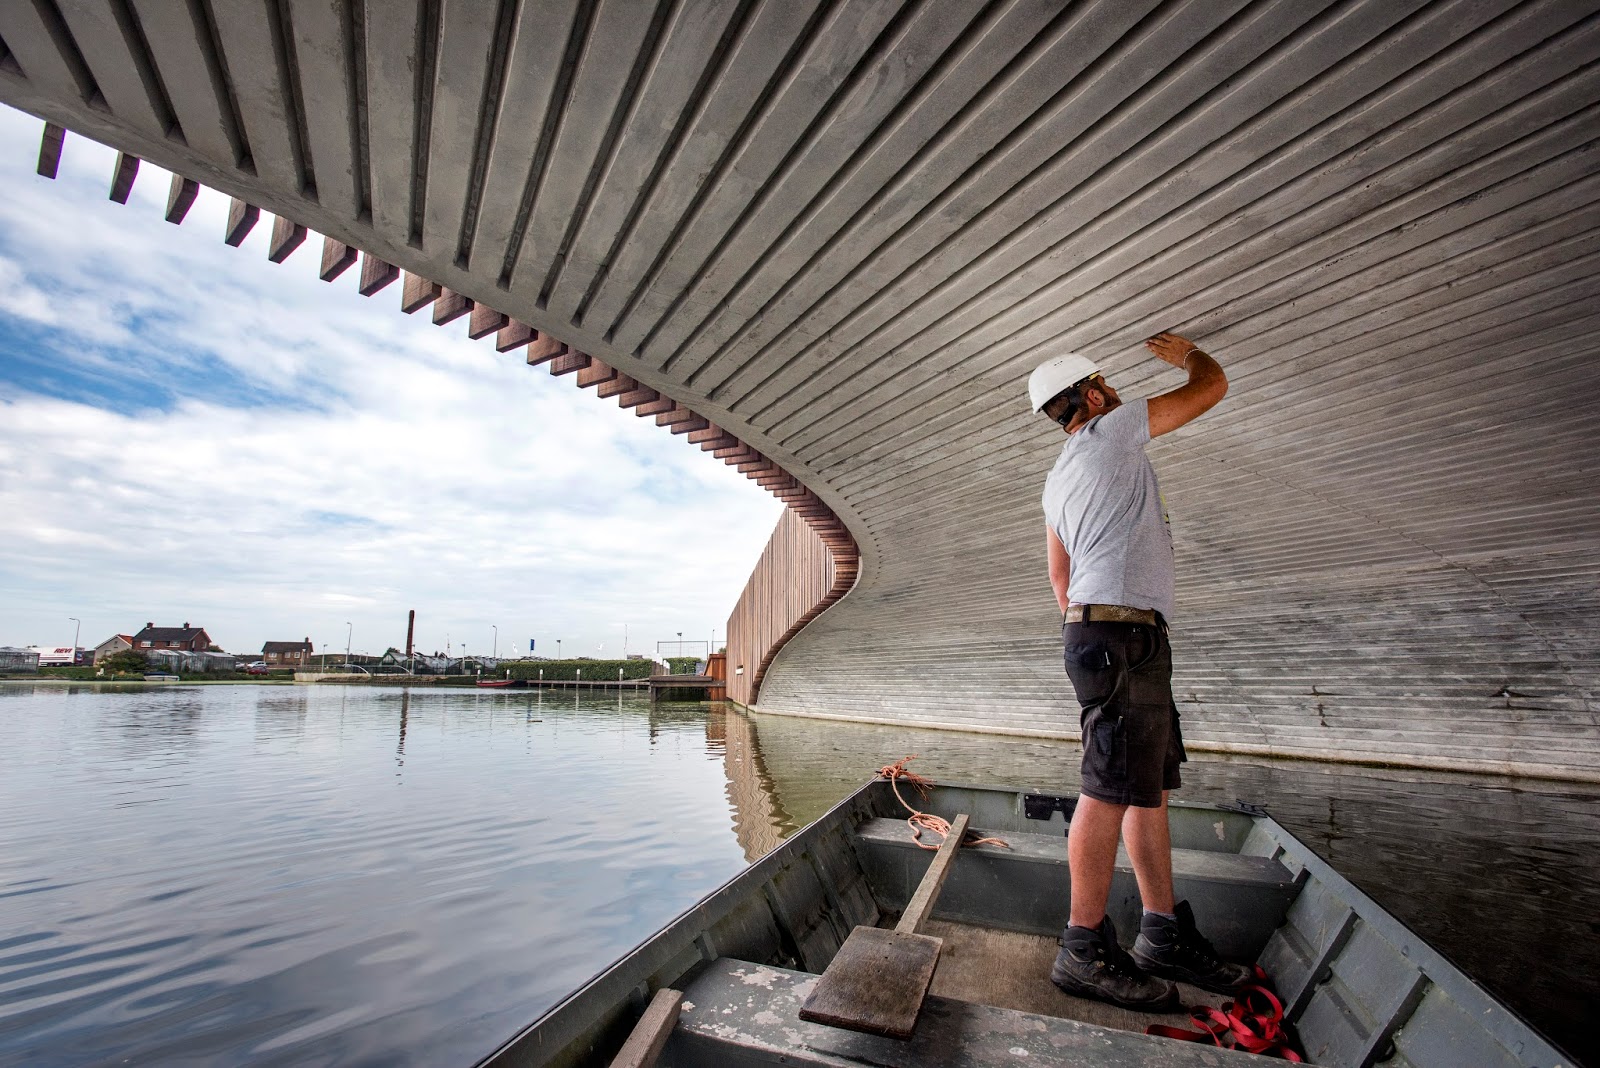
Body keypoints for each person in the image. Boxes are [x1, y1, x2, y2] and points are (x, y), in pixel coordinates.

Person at [1028, 331, 1251, 1011]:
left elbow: (1058, 577)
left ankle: (1161, 933)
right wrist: (1188, 355)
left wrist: (1095, 626)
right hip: (1121, 636)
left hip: (1116, 632)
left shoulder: (1056, 479)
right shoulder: (1113, 429)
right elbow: (1210, 388)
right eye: (1108, 385)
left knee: (1145, 786)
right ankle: (1082, 949)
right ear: (1092, 396)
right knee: (1107, 789)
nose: (1118, 393)